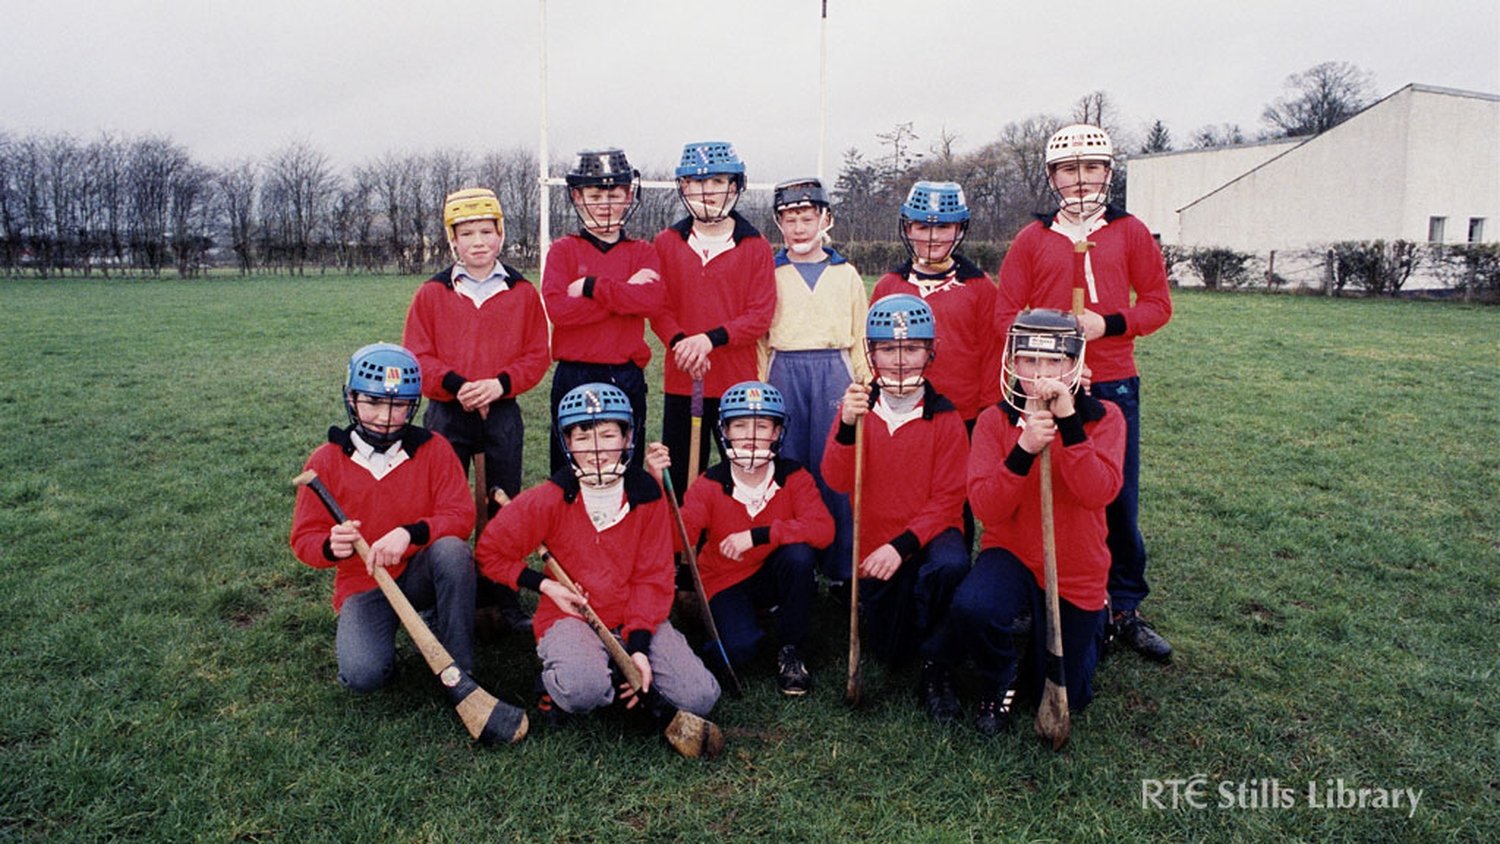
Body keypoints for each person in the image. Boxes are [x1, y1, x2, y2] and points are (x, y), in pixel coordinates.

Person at [995, 124, 1175, 661]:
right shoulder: (1032, 239)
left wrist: (1107, 324)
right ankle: (1038, 588)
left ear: (1108, 172)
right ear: (1053, 176)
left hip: (1113, 382)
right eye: (1069, 170)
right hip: (1041, 385)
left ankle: (1123, 604)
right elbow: (1007, 314)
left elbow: (1159, 305)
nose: (1081, 179)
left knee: (1114, 496)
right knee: (1039, 487)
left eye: (1091, 168)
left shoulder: (1131, 231)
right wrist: (1039, 362)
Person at [475, 383, 720, 732]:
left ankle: (621, 666)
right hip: (571, 617)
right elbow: (490, 552)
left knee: (699, 698)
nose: (596, 449)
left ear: (627, 437)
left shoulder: (647, 497)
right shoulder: (548, 498)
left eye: (608, 435)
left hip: (634, 614)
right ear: (567, 442)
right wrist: (544, 585)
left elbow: (653, 579)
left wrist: (637, 647)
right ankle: (566, 680)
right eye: (582, 436)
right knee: (583, 690)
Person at [937, 309, 1124, 735]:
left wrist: (1071, 426)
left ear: (1074, 362)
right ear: (1012, 362)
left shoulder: (1104, 418)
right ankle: (999, 676)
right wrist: (1022, 450)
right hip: (1014, 552)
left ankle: (1099, 618)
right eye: (1029, 361)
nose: (1041, 374)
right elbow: (986, 508)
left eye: (1053, 361)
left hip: (1075, 562)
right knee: (974, 606)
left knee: (1070, 693)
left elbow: (1098, 493)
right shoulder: (993, 420)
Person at [289, 343, 478, 695]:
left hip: (420, 571)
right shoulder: (325, 461)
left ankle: (460, 670)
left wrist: (411, 533)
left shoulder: (434, 448)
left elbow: (460, 516)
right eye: (373, 402)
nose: (384, 416)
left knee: (452, 552)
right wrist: (331, 545)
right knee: (363, 676)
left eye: (398, 405)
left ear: (413, 405)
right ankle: (388, 633)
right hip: (365, 584)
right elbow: (303, 540)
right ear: (352, 398)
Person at [402, 187, 550, 635]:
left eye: (487, 231)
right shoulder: (432, 293)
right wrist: (458, 386)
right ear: (453, 241)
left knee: (503, 508)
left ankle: (502, 597)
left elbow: (536, 355)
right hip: (448, 415)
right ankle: (435, 595)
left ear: (501, 234)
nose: (478, 242)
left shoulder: (523, 292)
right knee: (439, 504)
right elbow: (417, 356)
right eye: (467, 234)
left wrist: (498, 385)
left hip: (501, 414)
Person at [822, 294, 970, 722]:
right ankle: (900, 623)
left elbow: (948, 501)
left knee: (948, 568)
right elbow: (835, 479)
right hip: (875, 545)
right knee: (891, 652)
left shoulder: (945, 417)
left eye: (910, 348)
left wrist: (901, 546)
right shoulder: (857, 409)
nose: (900, 360)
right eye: (888, 349)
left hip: (926, 538)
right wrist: (848, 427)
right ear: (871, 352)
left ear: (929, 351)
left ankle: (937, 667)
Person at [677, 381, 834, 696]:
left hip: (772, 574)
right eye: (740, 426)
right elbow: (679, 539)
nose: (750, 437)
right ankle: (722, 638)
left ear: (776, 432)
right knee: (740, 651)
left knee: (800, 555)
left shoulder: (793, 476)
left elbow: (823, 530)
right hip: (725, 579)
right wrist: (662, 492)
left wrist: (759, 535)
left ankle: (791, 648)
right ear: (725, 431)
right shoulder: (709, 483)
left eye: (761, 426)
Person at [871, 181, 999, 546]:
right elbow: (875, 353)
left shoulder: (979, 288)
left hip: (962, 417)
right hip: (903, 409)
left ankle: (950, 572)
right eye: (923, 226)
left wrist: (989, 415)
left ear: (959, 229)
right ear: (907, 227)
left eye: (943, 226)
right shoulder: (888, 286)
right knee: (900, 492)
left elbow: (992, 356)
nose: (932, 236)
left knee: (957, 500)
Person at [759, 177, 868, 592]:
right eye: (790, 220)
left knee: (835, 470)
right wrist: (761, 389)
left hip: (833, 372)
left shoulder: (846, 274)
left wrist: (864, 383)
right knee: (785, 469)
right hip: (784, 369)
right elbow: (759, 340)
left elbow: (860, 335)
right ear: (779, 224)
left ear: (825, 219)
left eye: (807, 218)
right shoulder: (770, 271)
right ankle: (785, 568)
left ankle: (841, 569)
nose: (800, 228)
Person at [652, 141, 776, 498]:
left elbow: (759, 316)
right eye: (696, 182)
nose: (707, 191)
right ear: (684, 188)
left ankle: (732, 548)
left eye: (718, 181)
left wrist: (709, 340)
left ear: (734, 187)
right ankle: (680, 549)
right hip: (682, 378)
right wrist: (681, 344)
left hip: (736, 383)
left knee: (737, 475)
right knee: (680, 474)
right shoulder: (666, 242)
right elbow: (658, 309)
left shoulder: (756, 246)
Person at [542, 148, 664, 475]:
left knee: (625, 465)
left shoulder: (642, 251)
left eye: (614, 194)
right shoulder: (563, 250)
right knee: (569, 467)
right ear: (578, 198)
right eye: (595, 194)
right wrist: (624, 291)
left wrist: (591, 286)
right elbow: (559, 310)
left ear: (628, 197)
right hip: (574, 372)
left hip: (625, 373)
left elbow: (650, 301)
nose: (604, 204)